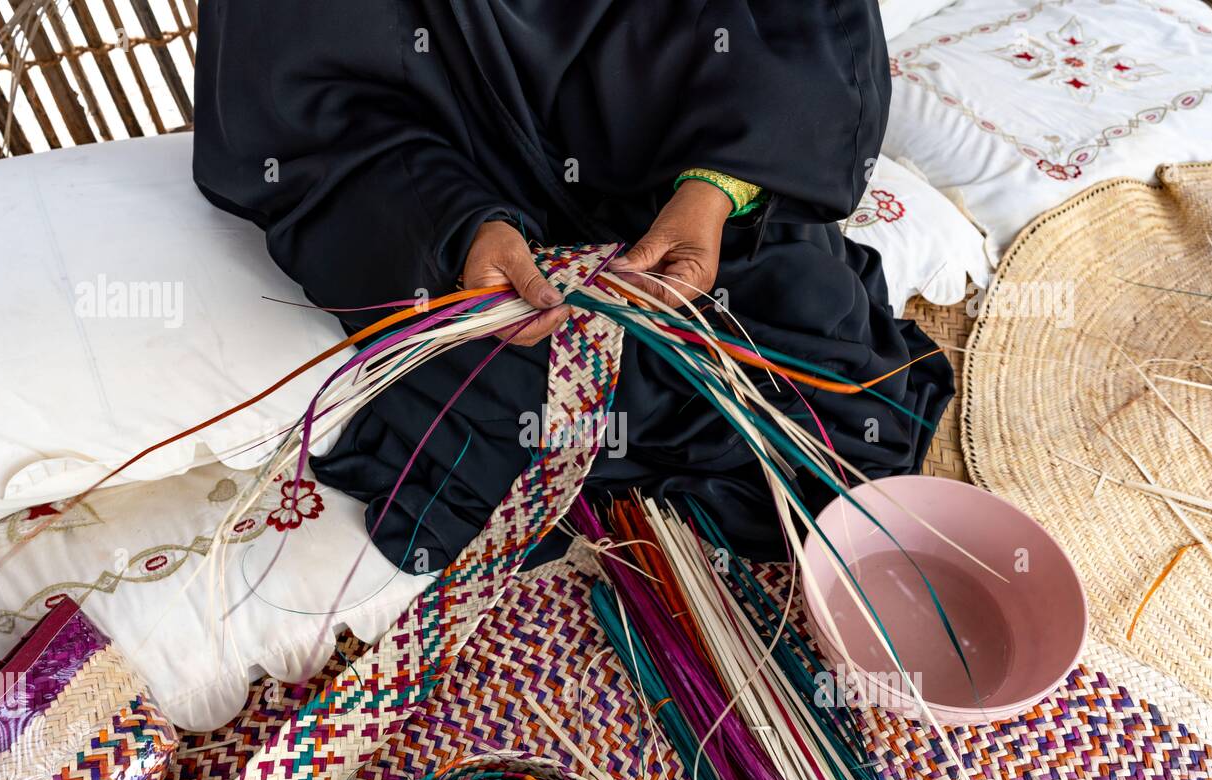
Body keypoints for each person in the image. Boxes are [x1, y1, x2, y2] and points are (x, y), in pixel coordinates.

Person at [193, 0, 953, 569]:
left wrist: (718, 189)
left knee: (812, 326)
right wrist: (462, 228)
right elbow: (313, 117)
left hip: (692, 182)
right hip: (457, 200)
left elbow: (800, 29)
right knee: (499, 405)